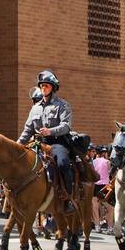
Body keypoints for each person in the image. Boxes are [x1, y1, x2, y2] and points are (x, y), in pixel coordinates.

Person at [18, 69, 75, 212]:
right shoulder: (35, 108)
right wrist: (17, 145)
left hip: (56, 143)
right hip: (37, 143)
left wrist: (51, 131)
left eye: (47, 86)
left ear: (53, 88)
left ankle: (67, 197)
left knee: (62, 163)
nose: (44, 88)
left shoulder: (62, 105)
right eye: (42, 86)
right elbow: (28, 129)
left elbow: (66, 126)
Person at [90, 145, 113, 231]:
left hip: (95, 185)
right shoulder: (108, 162)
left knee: (95, 207)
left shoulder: (93, 162)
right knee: (110, 208)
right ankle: (110, 227)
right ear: (104, 153)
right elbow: (111, 173)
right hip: (106, 186)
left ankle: (97, 226)